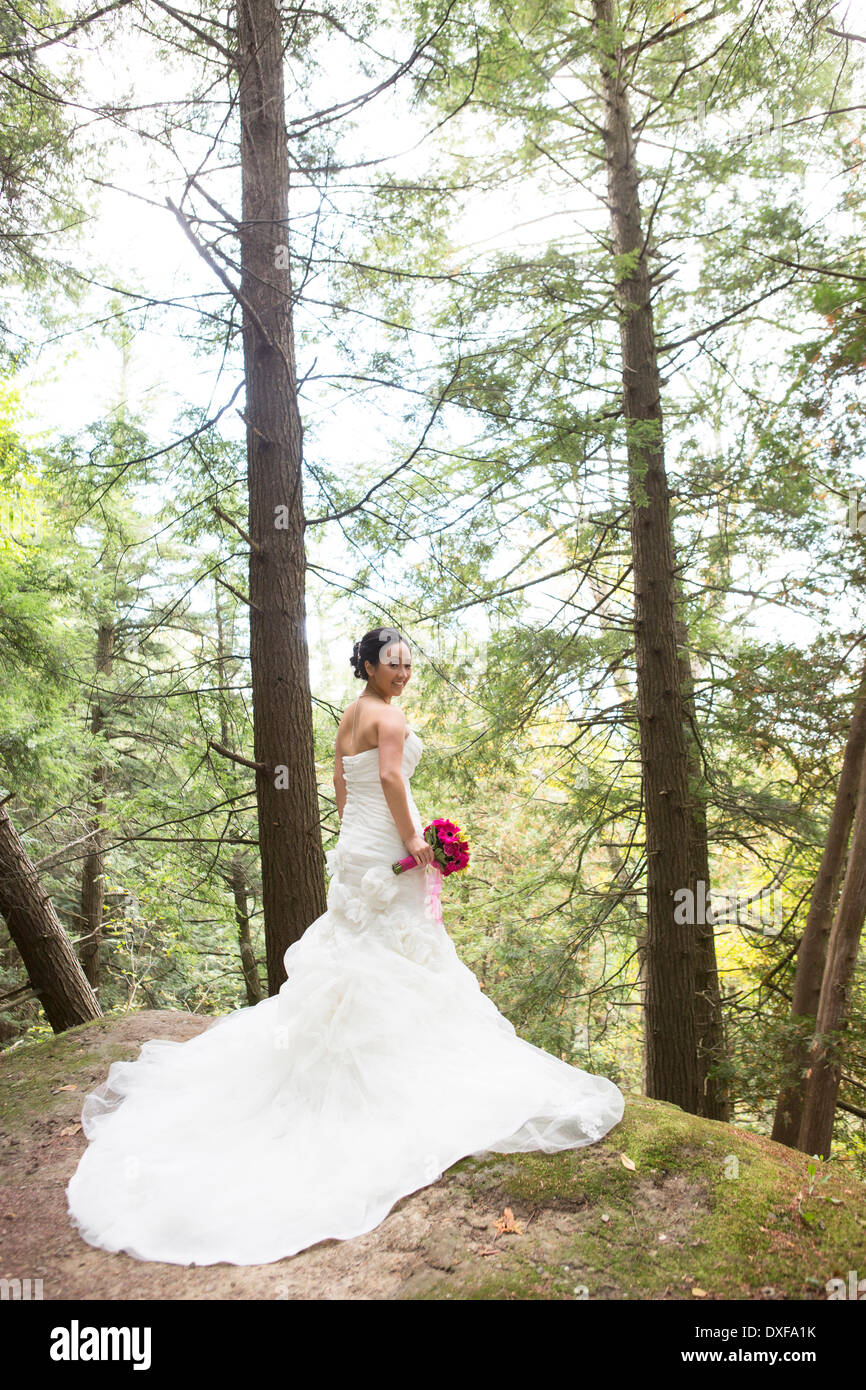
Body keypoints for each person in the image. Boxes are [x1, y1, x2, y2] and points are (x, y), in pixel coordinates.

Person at [65, 625, 625, 1267]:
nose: (403, 671)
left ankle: (362, 1060)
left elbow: (341, 786)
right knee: (400, 954)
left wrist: (376, 837)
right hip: (386, 844)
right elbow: (390, 777)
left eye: (409, 663)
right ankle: (404, 1075)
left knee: (363, 956)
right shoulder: (387, 715)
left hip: (357, 847)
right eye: (392, 662)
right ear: (366, 664)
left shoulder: (348, 717)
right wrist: (417, 841)